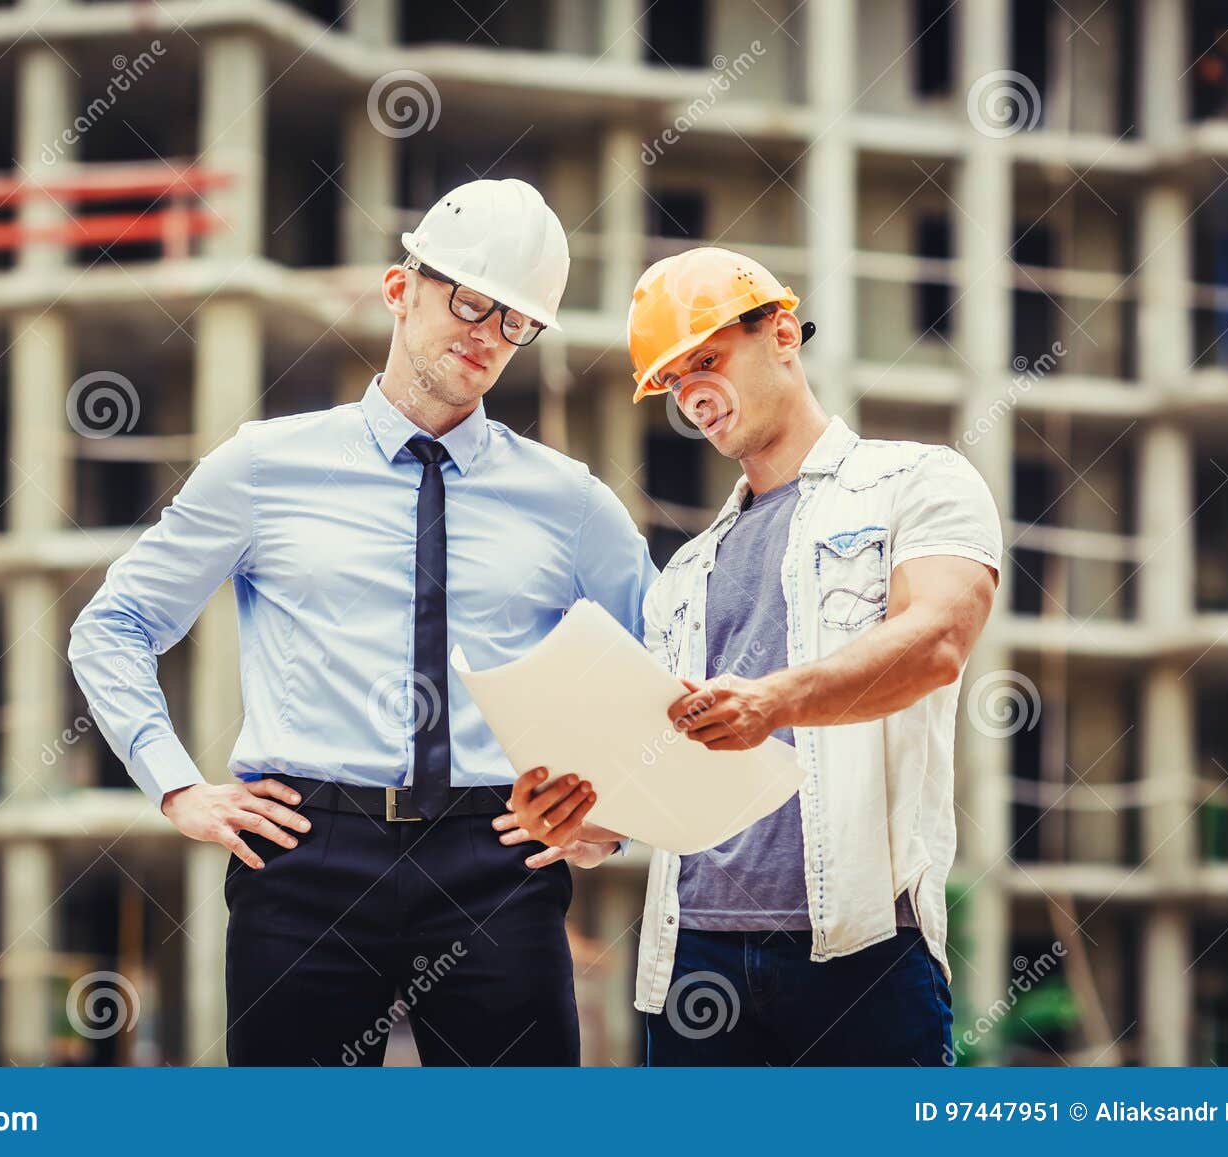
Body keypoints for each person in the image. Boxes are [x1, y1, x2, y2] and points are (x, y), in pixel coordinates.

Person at [69, 178, 655, 1066]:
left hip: (495, 856)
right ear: (399, 289)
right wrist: (176, 784)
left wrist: (611, 816)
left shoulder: (569, 500)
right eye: (469, 301)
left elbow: (663, 663)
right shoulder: (266, 466)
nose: (487, 336)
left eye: (514, 322)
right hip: (305, 853)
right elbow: (112, 626)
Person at [498, 247, 1002, 1065]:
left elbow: (938, 640)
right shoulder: (685, 575)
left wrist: (774, 702)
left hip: (864, 953)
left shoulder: (915, 483)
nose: (693, 394)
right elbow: (647, 781)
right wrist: (580, 822)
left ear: (780, 335)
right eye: (673, 381)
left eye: (706, 360)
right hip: (694, 958)